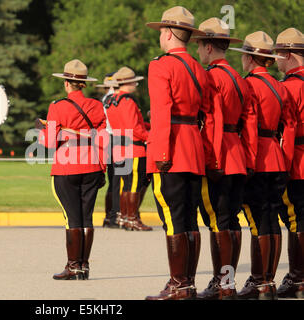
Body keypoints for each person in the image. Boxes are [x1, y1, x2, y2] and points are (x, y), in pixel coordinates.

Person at [144, 6, 216, 300]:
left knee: (173, 219)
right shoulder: (200, 68)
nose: (160, 35)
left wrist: (160, 151)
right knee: (189, 219)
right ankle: (187, 282)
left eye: (162, 30)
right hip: (193, 147)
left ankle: (179, 285)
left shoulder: (160, 65)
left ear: (171, 33)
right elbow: (207, 113)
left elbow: (161, 112)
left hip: (170, 146)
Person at [193, 17, 258, 299]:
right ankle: (227, 281)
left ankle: (223, 284)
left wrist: (212, 159)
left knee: (218, 222)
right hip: (238, 154)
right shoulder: (241, 81)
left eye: (199, 45)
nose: (197, 51)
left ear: (208, 47)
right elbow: (250, 123)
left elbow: (213, 121)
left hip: (219, 153)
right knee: (231, 222)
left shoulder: (210, 77)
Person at [229, 31, 297, 299]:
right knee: (271, 221)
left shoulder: (247, 85)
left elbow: (248, 127)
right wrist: (287, 160)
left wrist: (248, 160)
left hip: (257, 157)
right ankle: (267, 281)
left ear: (248, 58)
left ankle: (260, 281)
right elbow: (289, 128)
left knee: (257, 221)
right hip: (277, 157)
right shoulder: (281, 87)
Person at [36, 59, 107, 280]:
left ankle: (73, 266)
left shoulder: (57, 106)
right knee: (86, 218)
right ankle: (84, 266)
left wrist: (43, 131)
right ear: (83, 84)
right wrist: (103, 166)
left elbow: (48, 143)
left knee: (72, 219)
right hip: (92, 165)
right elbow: (104, 139)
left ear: (67, 83)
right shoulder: (96, 106)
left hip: (67, 168)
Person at [274, 27, 304, 299]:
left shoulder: (288, 87)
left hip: (297, 160)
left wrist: (282, 165)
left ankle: (297, 277)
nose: (276, 60)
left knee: (296, 221)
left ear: (288, 55)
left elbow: (288, 130)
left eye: (278, 54)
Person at [105, 66, 152, 231]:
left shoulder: (111, 101)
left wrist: (148, 127)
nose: (136, 86)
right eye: (134, 82)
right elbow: (135, 128)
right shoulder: (128, 100)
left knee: (125, 184)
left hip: (119, 146)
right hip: (133, 148)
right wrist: (151, 137)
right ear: (128, 83)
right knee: (134, 185)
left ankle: (123, 216)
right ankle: (131, 218)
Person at [96, 73, 121, 228]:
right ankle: (114, 216)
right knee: (118, 181)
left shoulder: (104, 100)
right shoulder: (114, 99)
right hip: (116, 139)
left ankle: (109, 216)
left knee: (113, 181)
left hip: (108, 140)